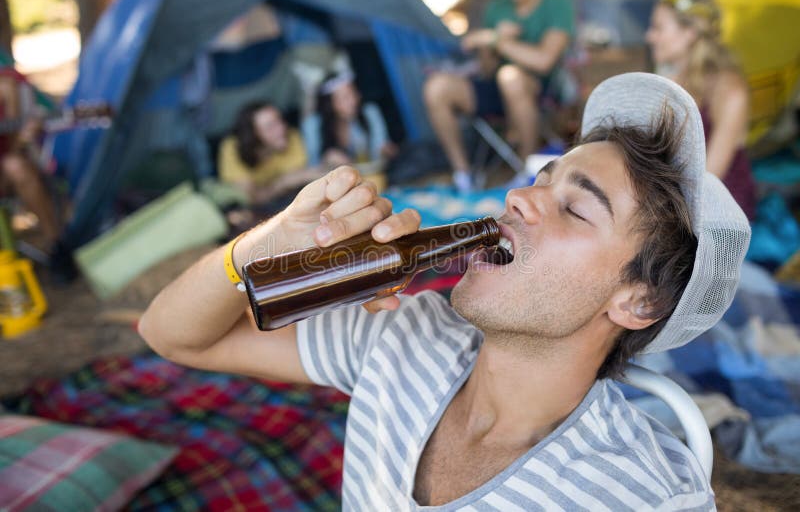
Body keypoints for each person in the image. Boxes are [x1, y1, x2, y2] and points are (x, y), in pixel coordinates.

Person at [140, 73, 750, 509]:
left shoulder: (640, 495)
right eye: (541, 177)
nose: (517, 196)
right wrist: (265, 244)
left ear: (638, 301)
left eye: (576, 209)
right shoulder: (404, 336)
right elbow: (171, 334)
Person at [424, 0, 574, 193]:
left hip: (541, 92)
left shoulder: (557, 4)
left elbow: (544, 61)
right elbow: (486, 70)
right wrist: (489, 47)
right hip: (497, 88)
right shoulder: (497, 7)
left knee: (510, 76)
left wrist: (497, 40)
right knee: (436, 87)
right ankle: (463, 175)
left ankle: (527, 170)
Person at [646, 0, 757, 219]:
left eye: (657, 28)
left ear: (690, 34)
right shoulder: (670, 77)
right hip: (672, 200)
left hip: (719, 216)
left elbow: (708, 179)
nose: (650, 36)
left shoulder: (729, 90)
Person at [217, 101, 332, 208]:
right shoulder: (232, 148)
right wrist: (284, 182)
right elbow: (251, 199)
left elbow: (302, 177)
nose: (281, 128)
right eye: (270, 126)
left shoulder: (291, 136)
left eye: (279, 120)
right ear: (252, 134)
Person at [0, 67, 61, 248]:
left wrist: (22, 138)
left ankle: (57, 245)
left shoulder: (6, 84)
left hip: (6, 168)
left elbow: (14, 148)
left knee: (15, 166)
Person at [301, 71, 397, 166]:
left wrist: (385, 151)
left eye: (354, 93)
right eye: (345, 97)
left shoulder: (370, 112)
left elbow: (379, 148)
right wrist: (327, 160)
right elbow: (312, 165)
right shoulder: (312, 125)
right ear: (329, 104)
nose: (353, 101)